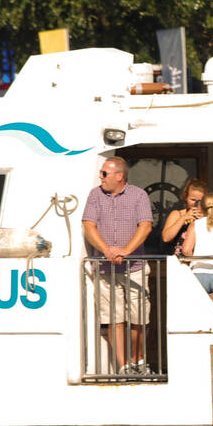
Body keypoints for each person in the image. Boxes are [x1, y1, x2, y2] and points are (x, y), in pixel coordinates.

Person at [82, 157, 154, 375]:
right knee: (114, 319)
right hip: (106, 269)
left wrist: (126, 250)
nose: (100, 177)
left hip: (135, 269)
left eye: (104, 173)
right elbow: (88, 225)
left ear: (119, 176)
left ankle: (138, 360)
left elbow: (145, 226)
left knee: (138, 318)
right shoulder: (95, 195)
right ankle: (123, 366)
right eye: (101, 173)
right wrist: (106, 250)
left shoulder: (139, 195)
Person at [160, 177, 206, 256]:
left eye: (200, 201)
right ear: (185, 197)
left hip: (200, 262)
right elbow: (166, 238)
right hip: (179, 261)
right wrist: (184, 218)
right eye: (193, 200)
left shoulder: (208, 216)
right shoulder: (177, 214)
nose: (196, 203)